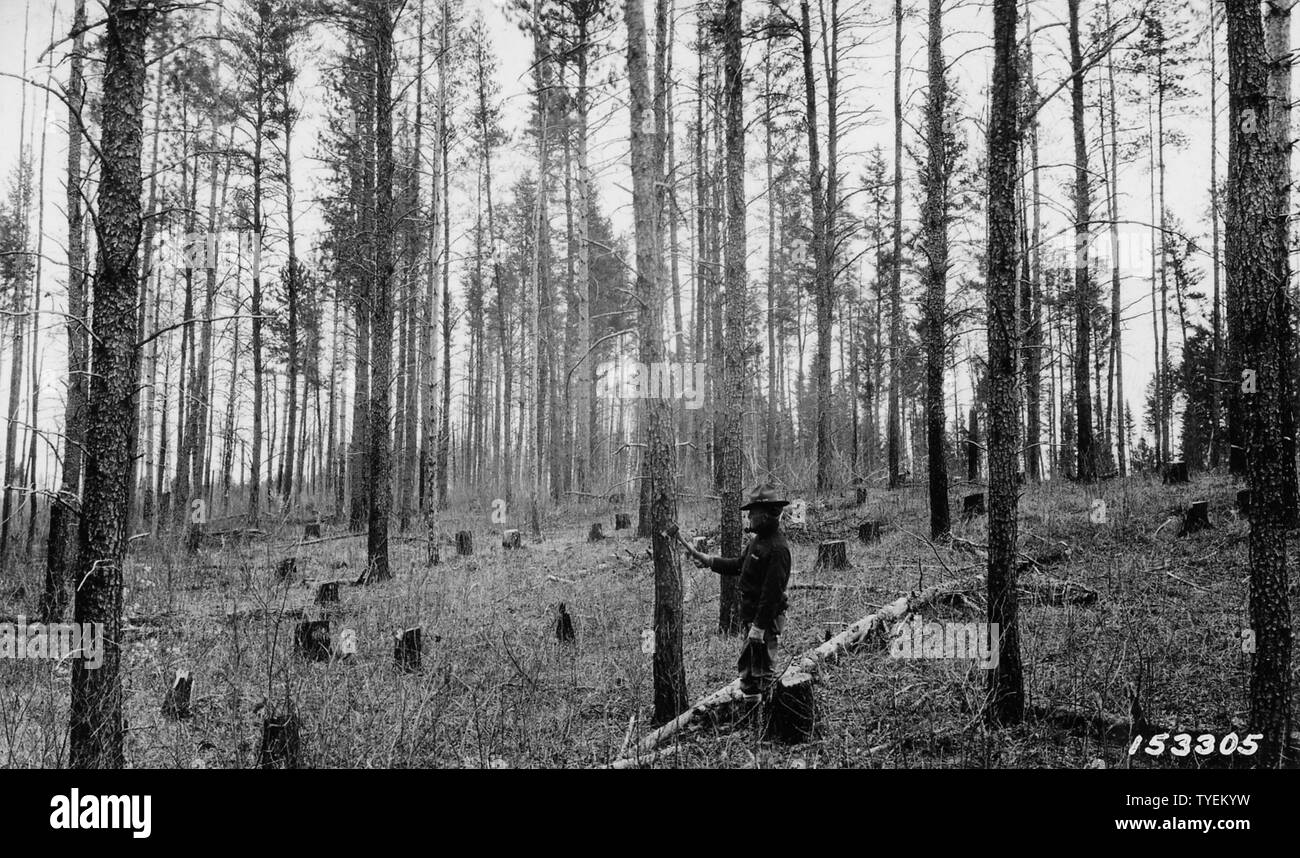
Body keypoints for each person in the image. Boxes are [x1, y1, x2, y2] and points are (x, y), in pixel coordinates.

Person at [685, 485, 793, 695]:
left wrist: (760, 627)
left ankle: (766, 720)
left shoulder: (778, 549)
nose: (749, 516)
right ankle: (753, 715)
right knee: (749, 671)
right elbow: (738, 565)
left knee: (761, 673)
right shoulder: (758, 541)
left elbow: (772, 595)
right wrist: (708, 561)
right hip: (752, 616)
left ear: (766, 514)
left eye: (753, 512)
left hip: (765, 620)